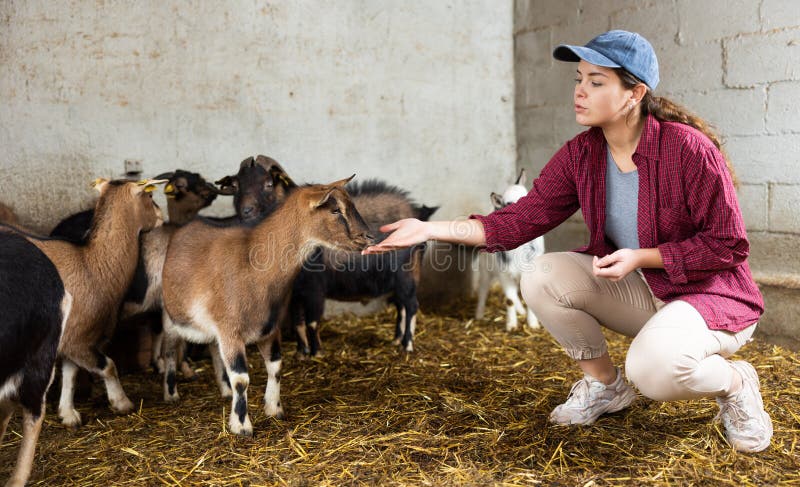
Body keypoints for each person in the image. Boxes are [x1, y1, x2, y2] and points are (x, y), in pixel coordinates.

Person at [362, 30, 772, 453]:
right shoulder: (582, 154)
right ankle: (605, 386)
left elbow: (728, 245)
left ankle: (737, 382)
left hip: (710, 297)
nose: (580, 92)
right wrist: (430, 229)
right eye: (578, 79)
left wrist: (642, 256)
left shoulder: (687, 149)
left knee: (652, 372)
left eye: (596, 82)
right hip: (645, 291)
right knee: (540, 275)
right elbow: (518, 221)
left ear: (635, 94)